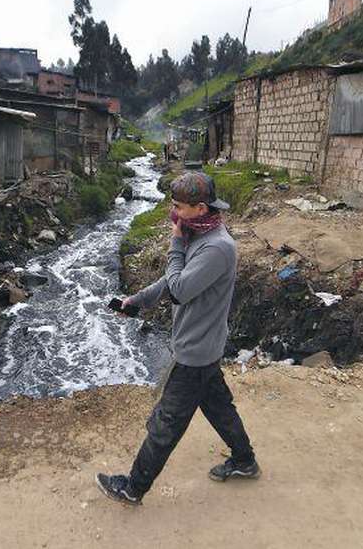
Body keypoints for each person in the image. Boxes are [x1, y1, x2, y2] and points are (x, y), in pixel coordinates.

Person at [96, 171, 259, 506]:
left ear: (200, 208)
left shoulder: (217, 247)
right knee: (218, 406)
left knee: (166, 423)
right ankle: (244, 460)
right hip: (204, 345)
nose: (173, 213)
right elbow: (171, 279)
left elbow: (181, 289)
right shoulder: (199, 234)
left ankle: (133, 488)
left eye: (178, 207)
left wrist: (174, 242)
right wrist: (137, 301)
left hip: (195, 351)